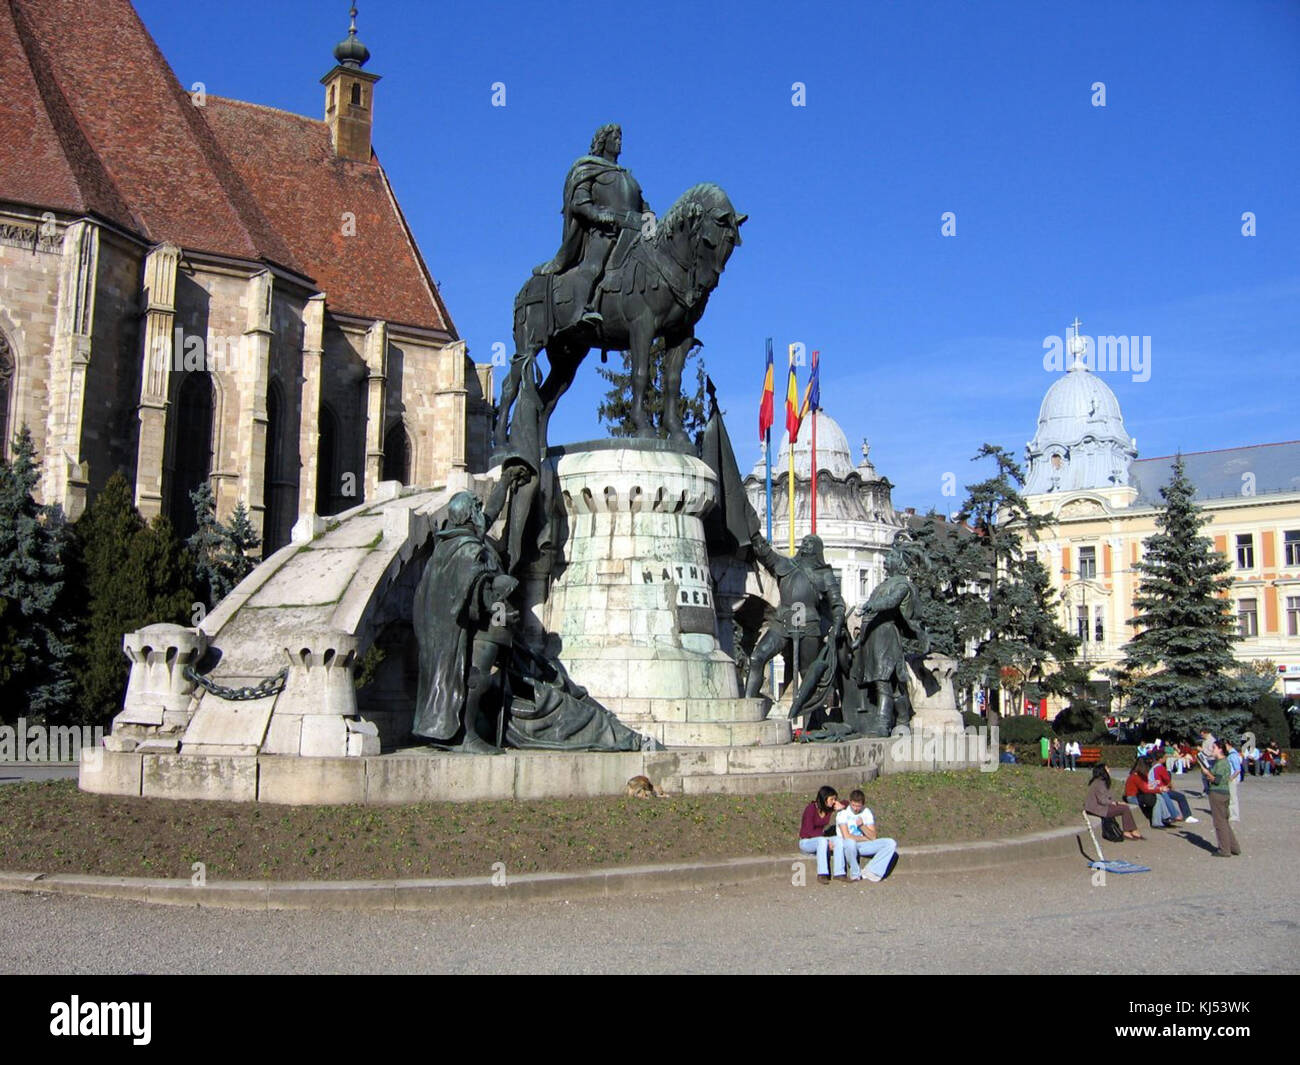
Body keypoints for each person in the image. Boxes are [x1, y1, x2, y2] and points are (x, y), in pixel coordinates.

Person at [836, 789, 898, 883]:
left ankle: (870, 871)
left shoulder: (866, 812)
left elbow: (873, 837)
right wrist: (865, 838)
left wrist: (862, 826)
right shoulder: (843, 813)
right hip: (848, 846)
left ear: (863, 804)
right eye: (853, 805)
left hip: (862, 845)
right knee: (850, 843)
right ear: (850, 802)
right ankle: (855, 874)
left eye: (858, 806)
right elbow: (846, 837)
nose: (856, 808)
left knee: (890, 843)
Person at [1200, 739, 1241, 858]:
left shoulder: (1221, 763)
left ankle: (1224, 850)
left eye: (1214, 748)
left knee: (1219, 822)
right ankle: (1234, 847)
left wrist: (1207, 773)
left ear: (1220, 749)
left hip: (1217, 793)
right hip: (1224, 792)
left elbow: (1216, 780)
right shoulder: (1224, 762)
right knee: (1224, 821)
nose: (1212, 750)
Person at [799, 785, 848, 883]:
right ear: (824, 799)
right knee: (822, 840)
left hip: (821, 840)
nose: (834, 801)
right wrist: (826, 840)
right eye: (832, 799)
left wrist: (841, 806)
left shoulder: (829, 808)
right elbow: (809, 831)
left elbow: (847, 802)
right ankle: (822, 874)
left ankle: (839, 873)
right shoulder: (810, 809)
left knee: (838, 840)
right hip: (807, 841)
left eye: (835, 799)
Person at [1085, 763, 1143, 840]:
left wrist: (1115, 802)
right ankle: (1130, 830)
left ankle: (1131, 830)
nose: (1109, 770)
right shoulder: (1099, 783)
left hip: (1097, 807)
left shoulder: (1099, 781)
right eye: (1107, 768)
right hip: (1097, 808)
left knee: (1124, 807)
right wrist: (1115, 803)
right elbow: (1102, 800)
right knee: (1124, 808)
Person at [1149, 759, 1198, 824]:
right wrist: (1171, 787)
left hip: (1155, 788)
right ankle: (1187, 816)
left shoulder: (1152, 768)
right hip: (1161, 789)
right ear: (1161, 758)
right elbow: (1167, 780)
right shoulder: (1160, 767)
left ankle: (1178, 815)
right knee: (1181, 797)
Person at [1124, 757, 1167, 828]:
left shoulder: (1140, 774)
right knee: (1157, 798)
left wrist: (1154, 784)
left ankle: (1163, 818)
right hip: (1132, 797)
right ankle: (1160, 820)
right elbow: (1145, 789)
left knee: (1158, 796)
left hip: (1139, 795)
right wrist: (1159, 789)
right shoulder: (1136, 776)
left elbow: (1146, 786)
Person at [1225, 739, 1243, 822]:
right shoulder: (1231, 754)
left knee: (1233, 798)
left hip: (1232, 778)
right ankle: (1231, 814)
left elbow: (1238, 769)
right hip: (1231, 778)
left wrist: (1232, 777)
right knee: (1231, 797)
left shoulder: (1233, 755)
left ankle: (1234, 815)